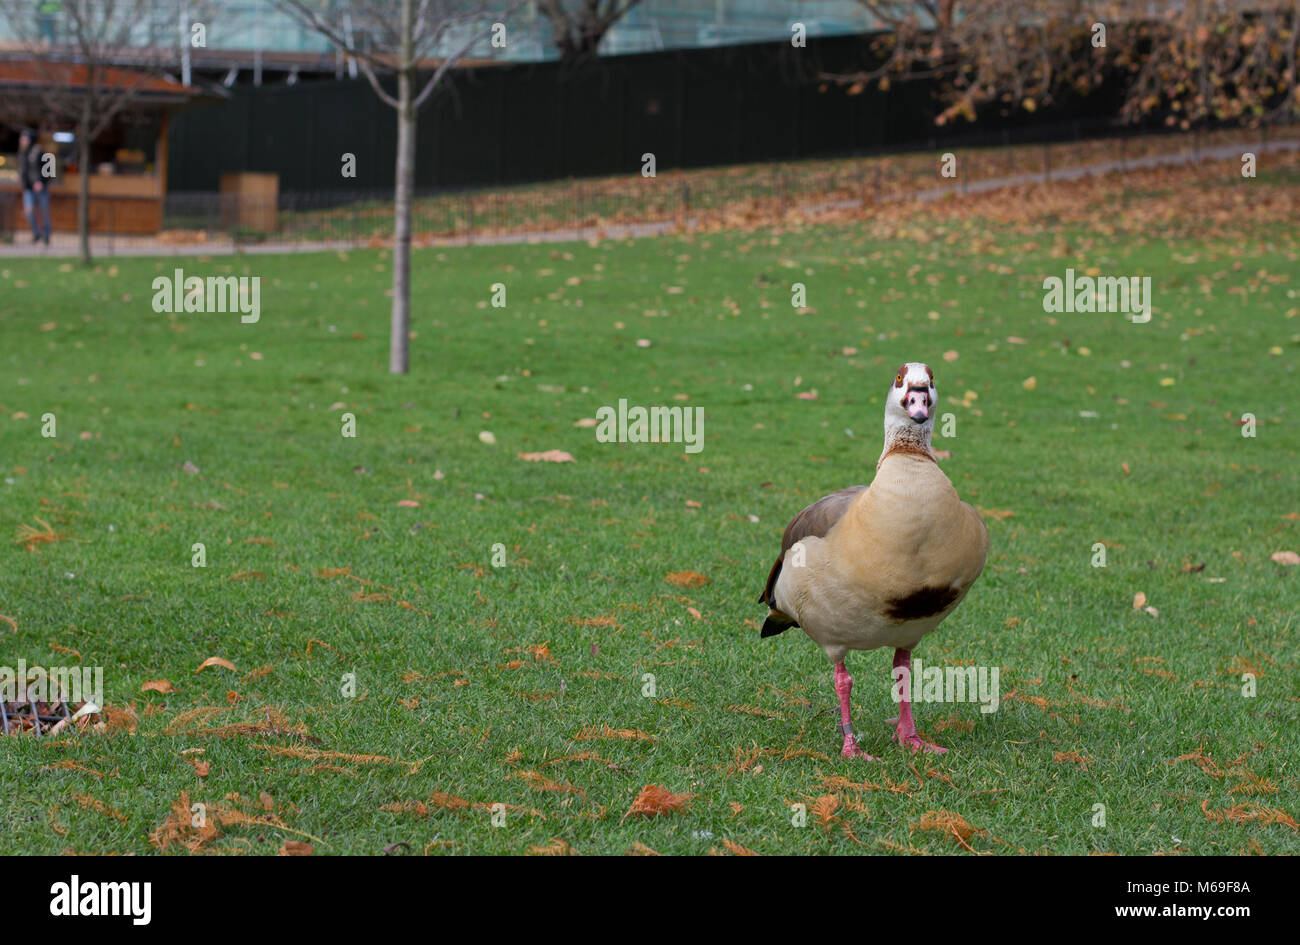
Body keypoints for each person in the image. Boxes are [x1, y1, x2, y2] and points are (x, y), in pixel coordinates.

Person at [18, 129, 52, 245]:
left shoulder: (39, 152)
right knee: (29, 212)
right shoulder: (22, 153)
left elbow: (49, 168)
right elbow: (24, 171)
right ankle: (37, 233)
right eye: (22, 139)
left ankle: (46, 237)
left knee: (44, 213)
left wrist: (41, 182)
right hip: (28, 189)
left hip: (41, 189)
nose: (22, 141)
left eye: (24, 139)